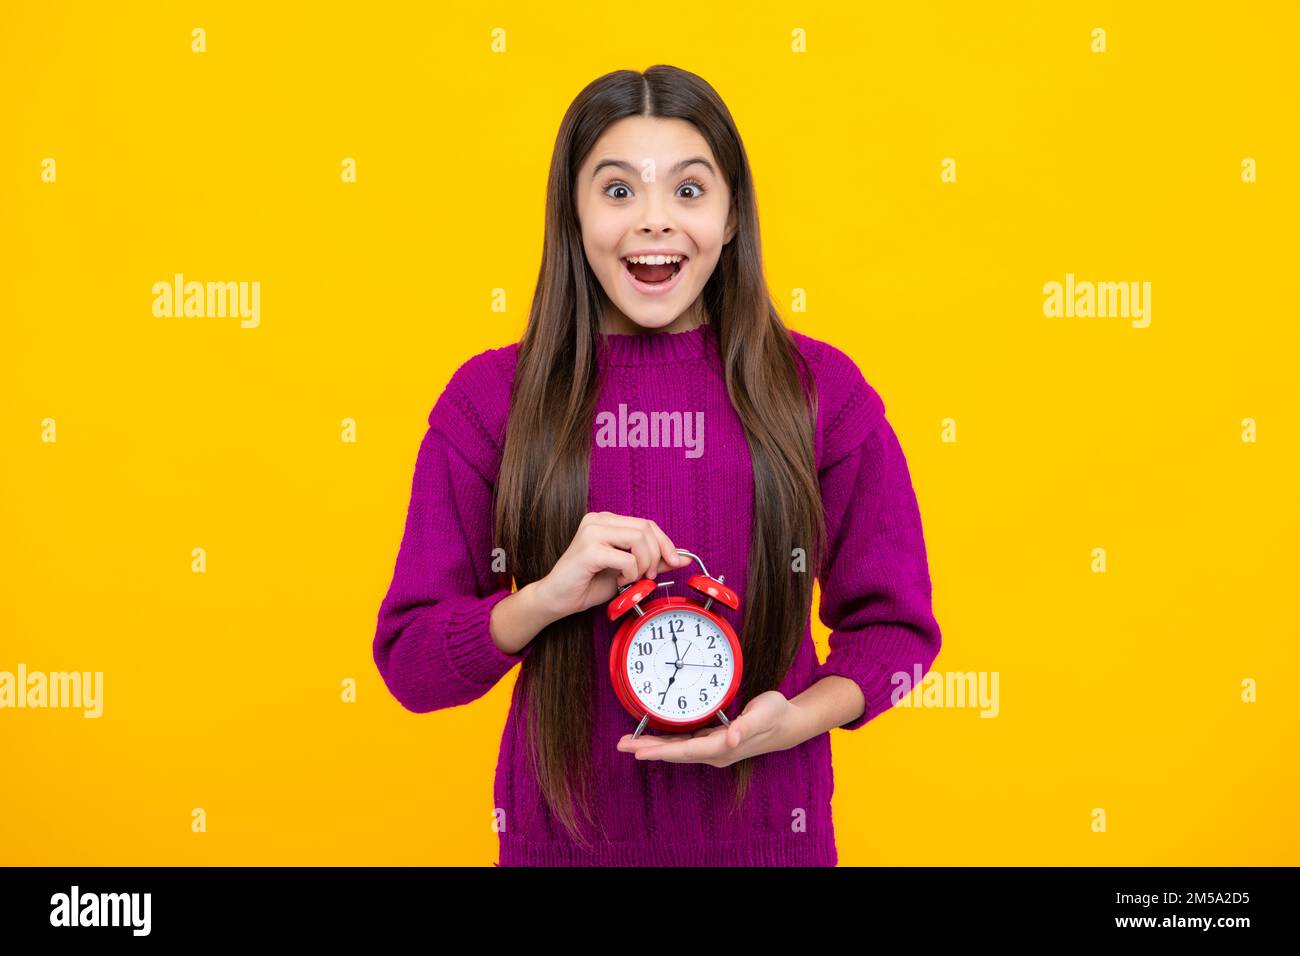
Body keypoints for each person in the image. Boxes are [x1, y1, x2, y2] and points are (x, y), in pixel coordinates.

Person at [373, 64, 942, 866]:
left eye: (687, 190)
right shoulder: (491, 400)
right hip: (560, 847)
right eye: (616, 191)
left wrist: (794, 722)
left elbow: (897, 632)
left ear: (733, 213)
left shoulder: (821, 393)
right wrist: (542, 600)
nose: (652, 223)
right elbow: (412, 665)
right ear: (571, 214)